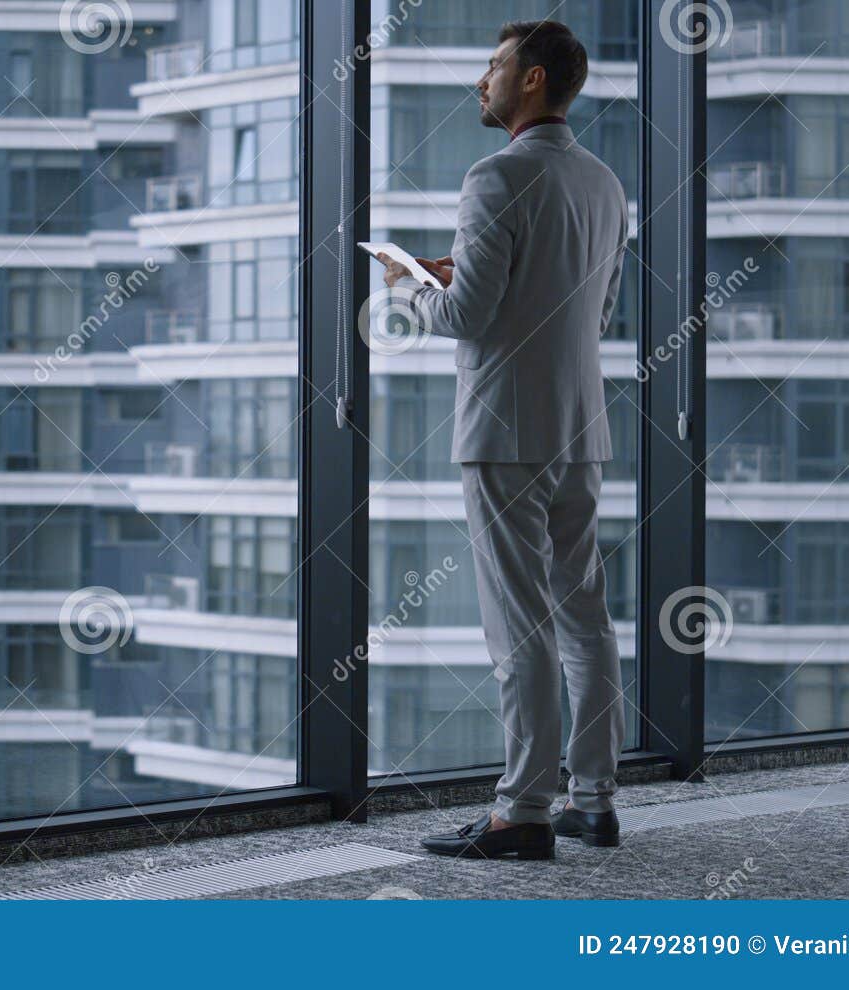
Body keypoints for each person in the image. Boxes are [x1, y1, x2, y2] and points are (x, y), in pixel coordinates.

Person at [377, 19, 628, 860]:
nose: (479, 80)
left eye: (492, 65)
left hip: (504, 428)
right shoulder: (602, 184)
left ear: (532, 80)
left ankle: (522, 810)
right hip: (579, 424)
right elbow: (586, 307)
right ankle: (593, 801)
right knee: (584, 617)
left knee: (519, 627)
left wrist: (412, 286)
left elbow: (468, 318)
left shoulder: (495, 176)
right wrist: (464, 272)